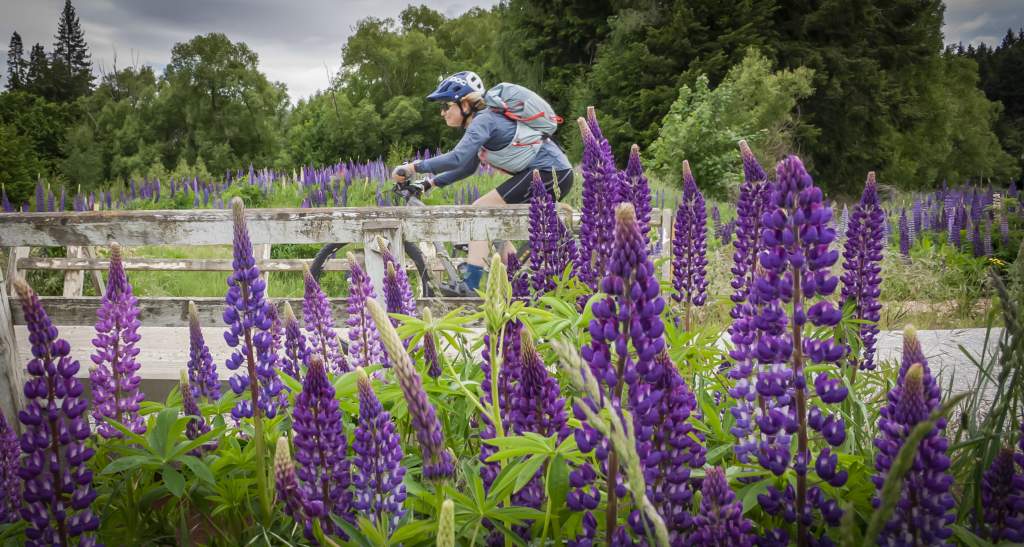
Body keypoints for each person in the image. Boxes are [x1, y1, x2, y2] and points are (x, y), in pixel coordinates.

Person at [391, 70, 574, 291]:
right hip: (550, 173)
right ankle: (517, 278)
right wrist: (430, 183)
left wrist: (414, 167)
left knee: (480, 211)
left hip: (550, 172)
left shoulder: (484, 120)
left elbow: (457, 157)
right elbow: (466, 167)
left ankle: (470, 285)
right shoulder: (482, 123)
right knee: (492, 223)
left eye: (446, 106)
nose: (442, 113)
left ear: (465, 104)